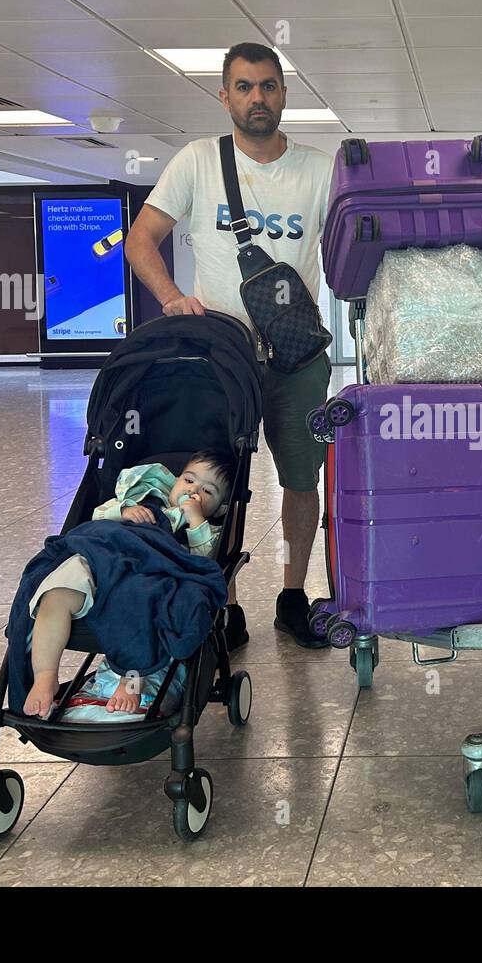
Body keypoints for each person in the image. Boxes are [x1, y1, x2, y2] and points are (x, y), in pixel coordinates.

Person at [125, 42, 334, 651]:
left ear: (284, 94)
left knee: (302, 478)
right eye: (244, 87)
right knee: (217, 483)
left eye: (268, 86)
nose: (257, 98)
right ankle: (225, 602)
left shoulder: (320, 170)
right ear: (225, 96)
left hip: (297, 358)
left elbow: (353, 251)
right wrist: (170, 298)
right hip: (220, 357)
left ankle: (293, 595)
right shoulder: (196, 161)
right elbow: (142, 240)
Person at [23, 451, 230, 718]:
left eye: (207, 492)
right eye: (189, 481)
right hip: (106, 554)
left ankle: (130, 680)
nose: (193, 491)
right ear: (175, 480)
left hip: (150, 570)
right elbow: (98, 517)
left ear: (222, 508)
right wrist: (124, 511)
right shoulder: (143, 498)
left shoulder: (199, 527)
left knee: (139, 596)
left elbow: (205, 562)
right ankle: (45, 675)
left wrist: (195, 519)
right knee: (57, 591)